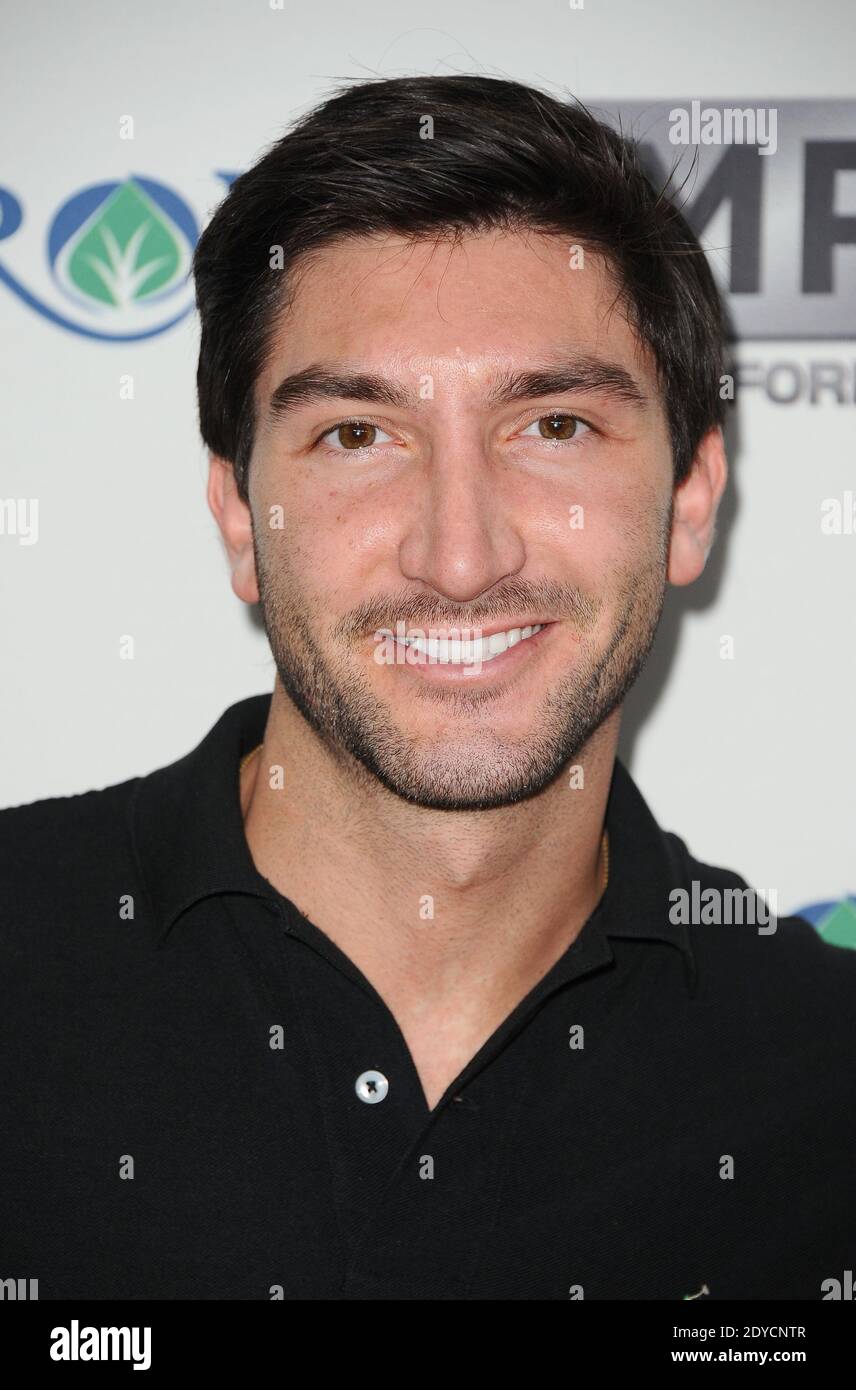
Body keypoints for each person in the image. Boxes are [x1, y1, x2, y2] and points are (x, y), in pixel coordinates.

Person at [2, 74, 853, 1301]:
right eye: (358, 434)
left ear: (689, 501)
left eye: (553, 425)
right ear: (241, 516)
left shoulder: (827, 1083)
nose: (460, 555)